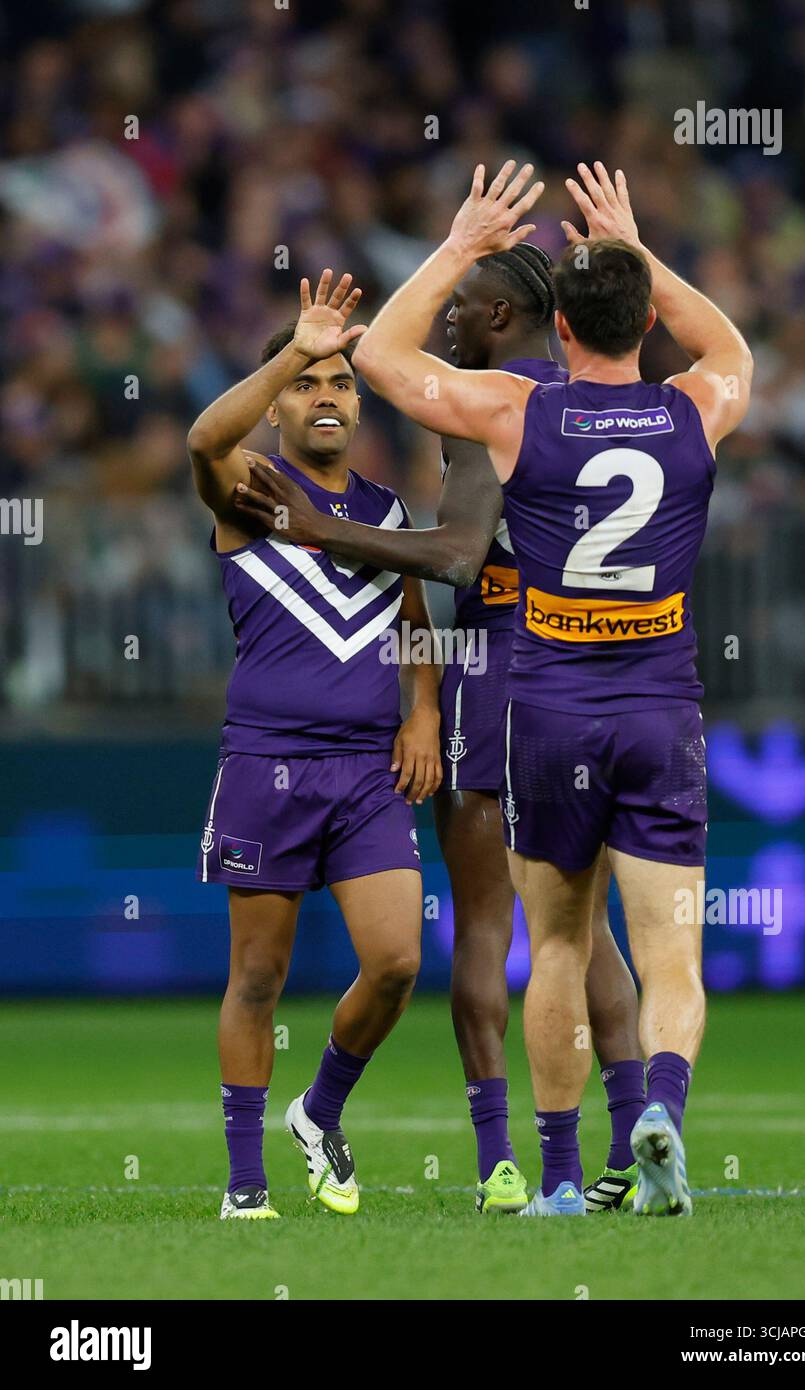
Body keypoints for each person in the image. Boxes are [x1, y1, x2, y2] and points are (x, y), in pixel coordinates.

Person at [345, 159, 753, 1216]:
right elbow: (732, 349)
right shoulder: (691, 409)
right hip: (661, 705)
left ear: (558, 332)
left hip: (551, 710)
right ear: (641, 323)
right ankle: (659, 1106)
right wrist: (639, 249)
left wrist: (459, 246)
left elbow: (381, 359)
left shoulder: (519, 414)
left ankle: (561, 1180)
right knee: (669, 948)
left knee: (559, 946)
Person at [235, 245, 645, 1216]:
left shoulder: (485, 405)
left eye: (460, 309)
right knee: (584, 931)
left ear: (499, 316)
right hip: (597, 666)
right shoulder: (614, 405)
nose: (446, 325)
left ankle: (502, 1160)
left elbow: (459, 555)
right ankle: (630, 1142)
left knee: (487, 927)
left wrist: (321, 529)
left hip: (501, 667)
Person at [189, 270, 442, 1220]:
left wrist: (424, 712)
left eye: (341, 380)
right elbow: (202, 437)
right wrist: (294, 345)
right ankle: (244, 1184)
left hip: (370, 771)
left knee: (398, 963)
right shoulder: (246, 488)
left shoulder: (384, 510)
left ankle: (320, 1108)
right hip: (266, 763)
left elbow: (417, 624)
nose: (328, 394)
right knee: (257, 977)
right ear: (280, 400)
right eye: (307, 382)